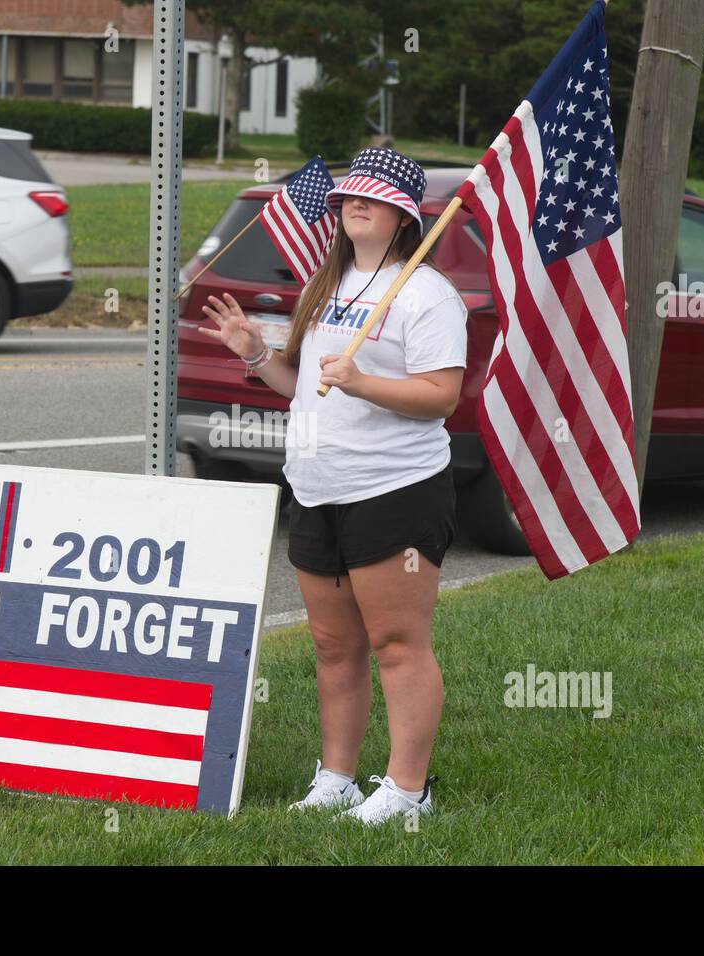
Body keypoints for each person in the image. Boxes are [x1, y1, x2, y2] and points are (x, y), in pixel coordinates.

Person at [197, 146, 468, 825]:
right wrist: (256, 354)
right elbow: (305, 389)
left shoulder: (425, 293)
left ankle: (409, 791)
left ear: (404, 215)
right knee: (333, 645)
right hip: (317, 486)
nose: (355, 204)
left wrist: (364, 380)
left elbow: (441, 396)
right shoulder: (330, 282)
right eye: (350, 195)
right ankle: (337, 777)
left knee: (397, 644)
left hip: (396, 489)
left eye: (371, 197)